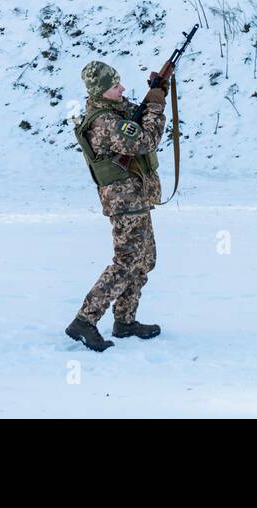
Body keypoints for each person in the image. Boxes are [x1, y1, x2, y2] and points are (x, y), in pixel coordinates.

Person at [66, 60, 168, 351]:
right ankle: (85, 320)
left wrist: (155, 92)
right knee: (126, 262)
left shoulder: (114, 110)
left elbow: (138, 116)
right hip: (125, 200)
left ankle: (125, 321)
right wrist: (157, 106)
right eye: (115, 86)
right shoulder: (105, 122)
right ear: (101, 91)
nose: (122, 88)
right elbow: (146, 140)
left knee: (144, 259)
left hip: (136, 196)